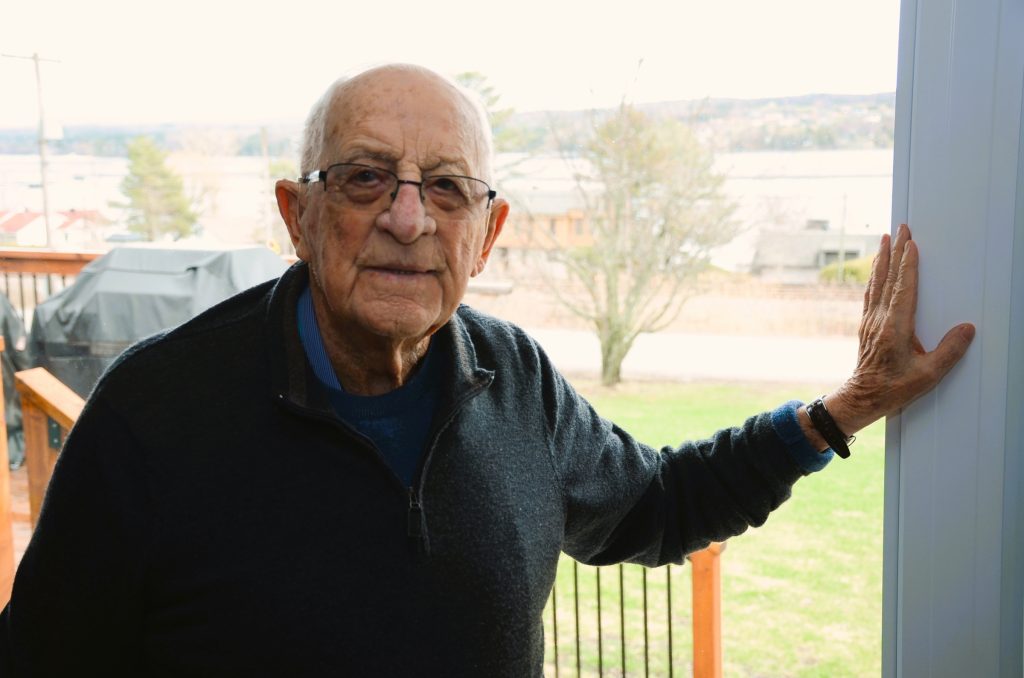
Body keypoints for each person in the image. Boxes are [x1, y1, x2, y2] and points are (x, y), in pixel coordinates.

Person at [0, 64, 974, 677]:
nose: (408, 219)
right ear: (297, 215)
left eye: (448, 189)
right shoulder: (155, 414)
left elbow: (657, 504)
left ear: (488, 234)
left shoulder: (515, 379)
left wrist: (843, 410)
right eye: (366, 177)